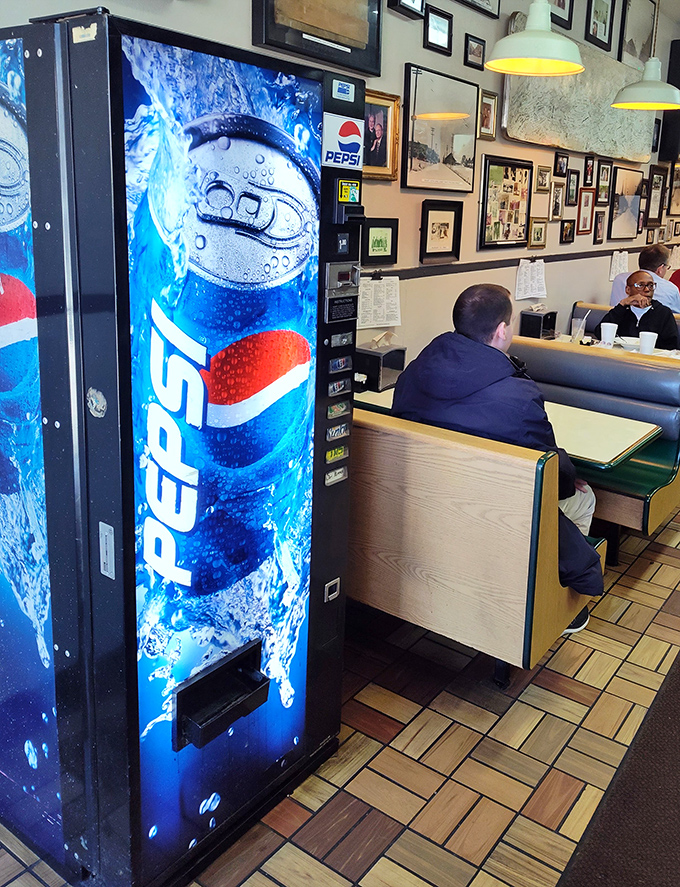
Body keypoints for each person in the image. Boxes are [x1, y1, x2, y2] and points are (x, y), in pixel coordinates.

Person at [392, 283, 604, 634]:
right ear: (503, 330)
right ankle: (552, 598)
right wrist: (568, 479)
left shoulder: (414, 372)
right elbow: (548, 465)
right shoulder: (518, 395)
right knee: (583, 498)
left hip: (424, 497)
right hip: (494, 509)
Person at [597, 270, 679, 350]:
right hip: (621, 354)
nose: (647, 289)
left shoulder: (663, 312)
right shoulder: (622, 310)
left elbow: (672, 345)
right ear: (628, 290)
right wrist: (622, 304)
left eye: (651, 285)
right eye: (640, 285)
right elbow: (599, 334)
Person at [609, 244, 680, 314]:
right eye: (667, 267)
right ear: (660, 269)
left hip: (618, 320)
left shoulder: (619, 279)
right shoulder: (670, 289)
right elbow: (677, 317)